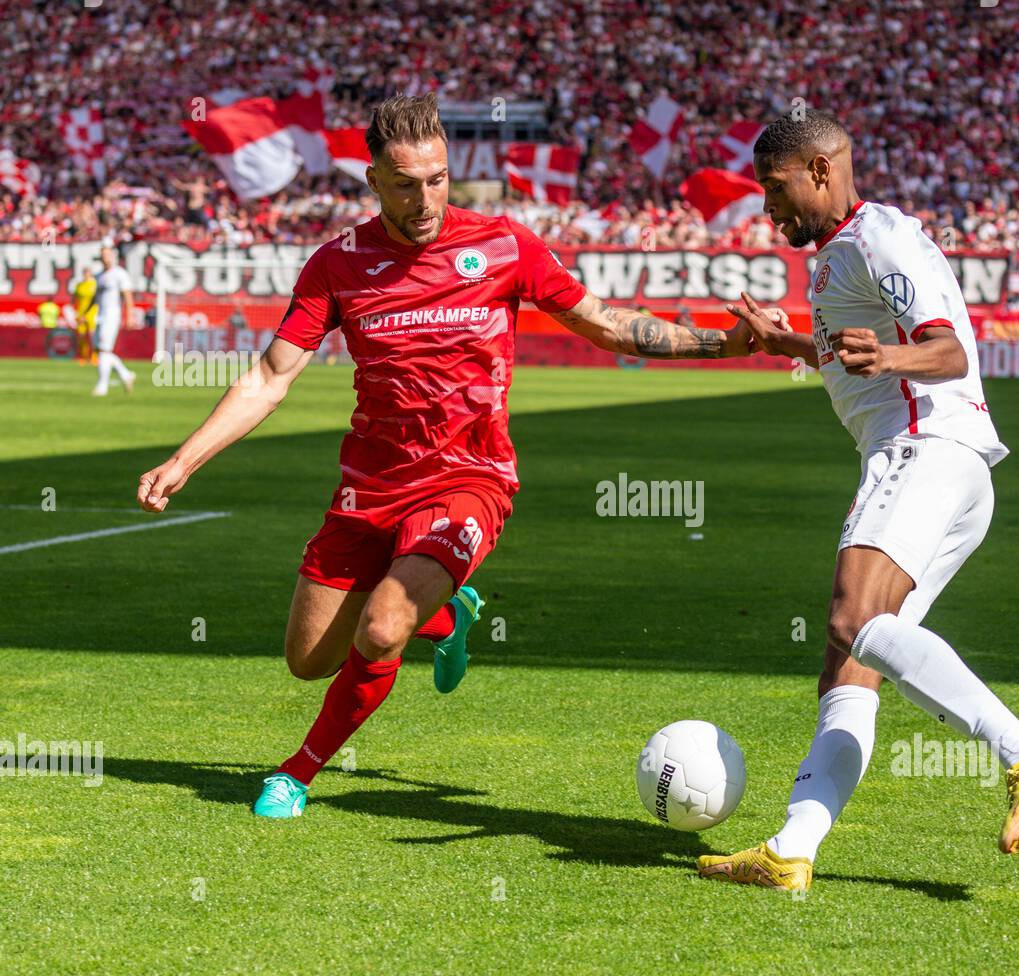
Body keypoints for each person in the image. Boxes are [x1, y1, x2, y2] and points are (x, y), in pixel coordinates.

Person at [135, 93, 782, 820]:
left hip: (470, 480)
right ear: (374, 179)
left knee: (381, 627)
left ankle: (297, 771)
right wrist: (183, 460)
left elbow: (604, 323)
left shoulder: (505, 246)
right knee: (308, 659)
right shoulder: (336, 266)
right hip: (370, 486)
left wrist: (723, 343)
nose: (425, 199)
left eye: (438, 179)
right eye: (406, 183)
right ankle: (447, 614)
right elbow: (268, 376)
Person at [702, 109, 1019, 892]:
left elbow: (950, 350)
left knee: (853, 620)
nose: (768, 210)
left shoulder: (879, 237)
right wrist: (788, 343)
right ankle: (791, 850)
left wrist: (891, 354)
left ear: (820, 169)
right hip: (943, 465)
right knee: (848, 663)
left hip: (925, 450)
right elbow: (854, 356)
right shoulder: (846, 248)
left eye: (775, 190)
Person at [91, 247, 136, 396]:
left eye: (108, 255)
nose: (106, 258)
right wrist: (86, 312)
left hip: (112, 315)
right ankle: (126, 374)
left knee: (104, 350)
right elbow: (96, 298)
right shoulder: (98, 276)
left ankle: (102, 386)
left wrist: (130, 316)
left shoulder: (119, 274)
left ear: (113, 256)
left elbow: (127, 296)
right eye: (103, 255)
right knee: (101, 350)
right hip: (100, 315)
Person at [72, 268, 98, 366]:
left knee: (93, 336)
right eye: (84, 273)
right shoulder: (79, 285)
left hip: (93, 313)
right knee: (81, 337)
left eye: (88, 273)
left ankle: (95, 357)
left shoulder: (95, 285)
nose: (86, 275)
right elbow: (74, 298)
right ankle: (84, 357)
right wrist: (74, 311)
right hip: (80, 313)